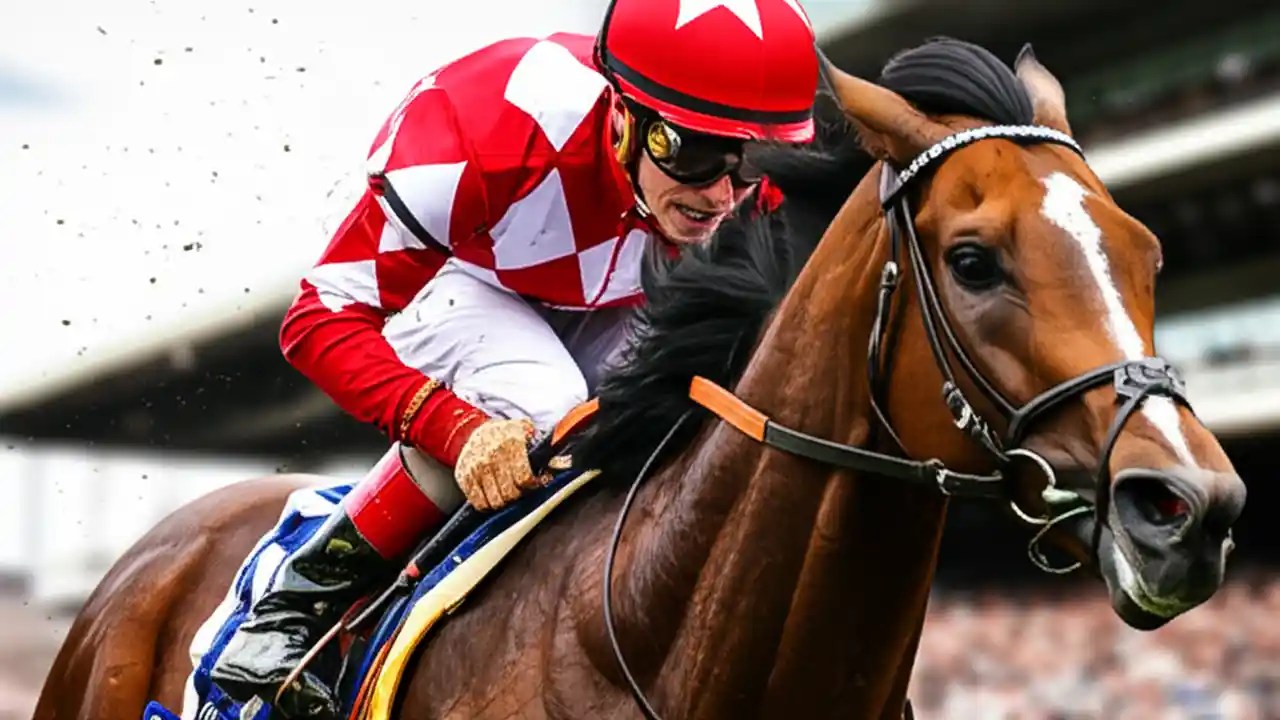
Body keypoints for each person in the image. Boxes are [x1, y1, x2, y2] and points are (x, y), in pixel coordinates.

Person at [208, 0, 819, 715]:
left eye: (751, 161)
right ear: (621, 114)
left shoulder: (750, 188)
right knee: (546, 405)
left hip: (608, 292)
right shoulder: (494, 134)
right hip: (457, 274)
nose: (721, 194)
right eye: (692, 153)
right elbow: (317, 321)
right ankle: (296, 604)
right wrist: (457, 430)